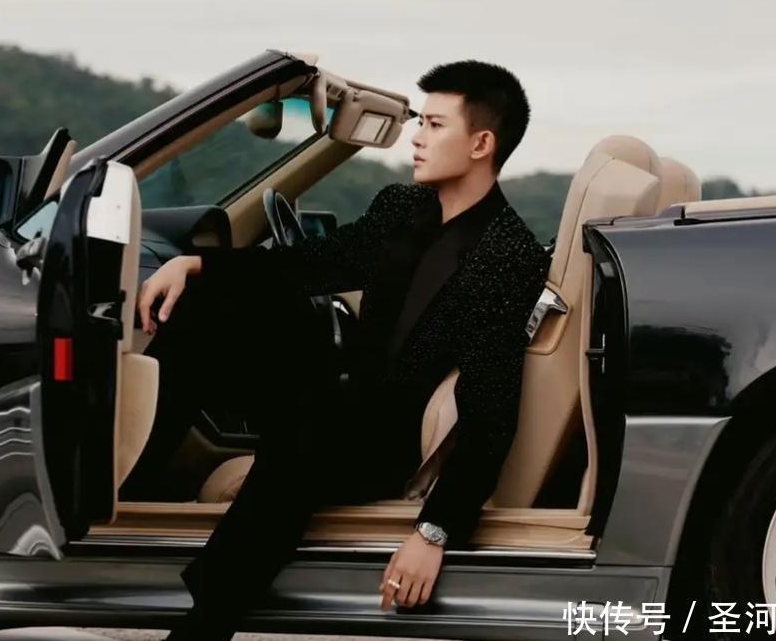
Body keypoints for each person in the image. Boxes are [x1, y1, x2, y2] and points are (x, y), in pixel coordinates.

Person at [127, 60, 551, 640]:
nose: (417, 137)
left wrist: (433, 533)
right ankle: (128, 477)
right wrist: (195, 264)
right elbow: (312, 265)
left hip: (387, 439)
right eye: (420, 122)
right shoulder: (401, 208)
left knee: (300, 447)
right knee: (206, 305)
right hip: (340, 392)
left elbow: (491, 409)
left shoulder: (509, 256)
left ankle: (206, 623)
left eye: (434, 125)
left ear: (482, 144)